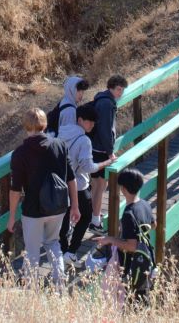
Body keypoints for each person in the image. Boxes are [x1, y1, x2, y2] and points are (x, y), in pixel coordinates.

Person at [8, 108, 78, 288]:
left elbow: (15, 189)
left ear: (26, 126)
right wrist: (75, 206)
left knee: (32, 250)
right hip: (59, 206)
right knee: (53, 243)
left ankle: (30, 291)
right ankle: (59, 285)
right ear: (44, 125)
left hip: (33, 209)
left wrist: (11, 217)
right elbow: (71, 178)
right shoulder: (60, 145)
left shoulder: (20, 153)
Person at [58, 103, 115, 263]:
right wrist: (106, 163)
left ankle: (63, 250)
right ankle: (71, 251)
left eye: (93, 122)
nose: (91, 125)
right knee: (86, 216)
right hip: (78, 185)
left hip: (59, 182)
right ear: (80, 120)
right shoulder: (84, 140)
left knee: (63, 217)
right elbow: (88, 167)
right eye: (89, 121)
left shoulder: (61, 131)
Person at [95, 169, 155, 303]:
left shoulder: (128, 214)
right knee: (144, 297)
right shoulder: (145, 204)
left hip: (132, 265)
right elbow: (153, 224)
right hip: (146, 259)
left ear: (123, 188)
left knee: (132, 302)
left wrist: (110, 239)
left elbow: (131, 246)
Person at [88, 75, 128, 233]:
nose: (120, 93)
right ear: (111, 87)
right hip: (101, 149)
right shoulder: (106, 103)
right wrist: (110, 152)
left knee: (96, 184)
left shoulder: (101, 98)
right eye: (118, 89)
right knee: (100, 185)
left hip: (94, 147)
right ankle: (95, 221)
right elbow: (105, 130)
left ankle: (93, 217)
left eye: (122, 90)